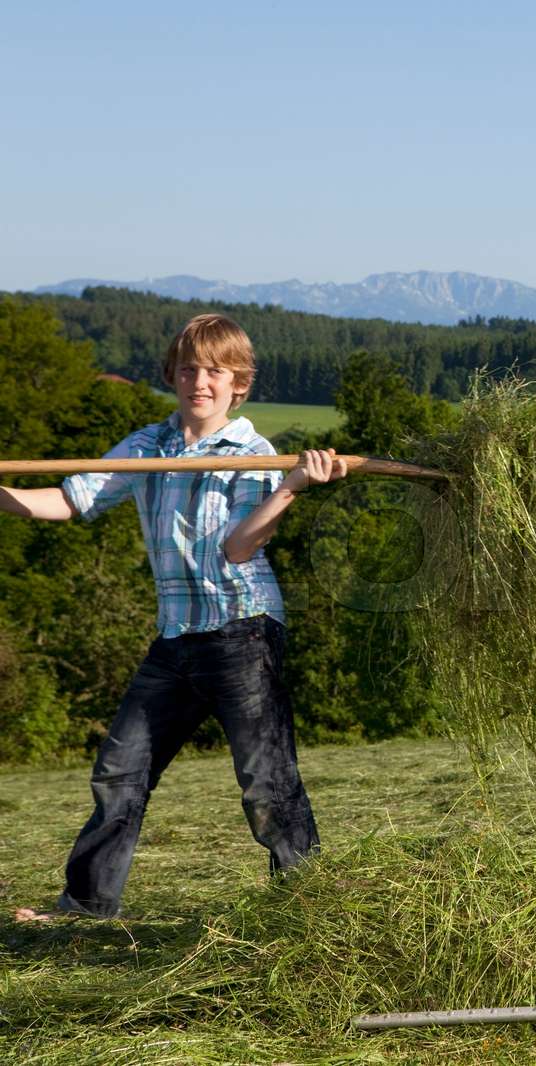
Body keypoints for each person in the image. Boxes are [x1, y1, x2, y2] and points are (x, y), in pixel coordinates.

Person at [0, 313, 345, 919]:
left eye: (215, 371)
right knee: (119, 772)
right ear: (172, 376)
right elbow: (68, 499)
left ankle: (311, 905)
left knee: (266, 781)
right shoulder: (147, 447)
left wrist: (288, 487)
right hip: (177, 635)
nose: (200, 381)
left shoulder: (252, 453)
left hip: (243, 628)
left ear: (238, 383)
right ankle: (85, 905)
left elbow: (238, 548)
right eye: (188, 369)